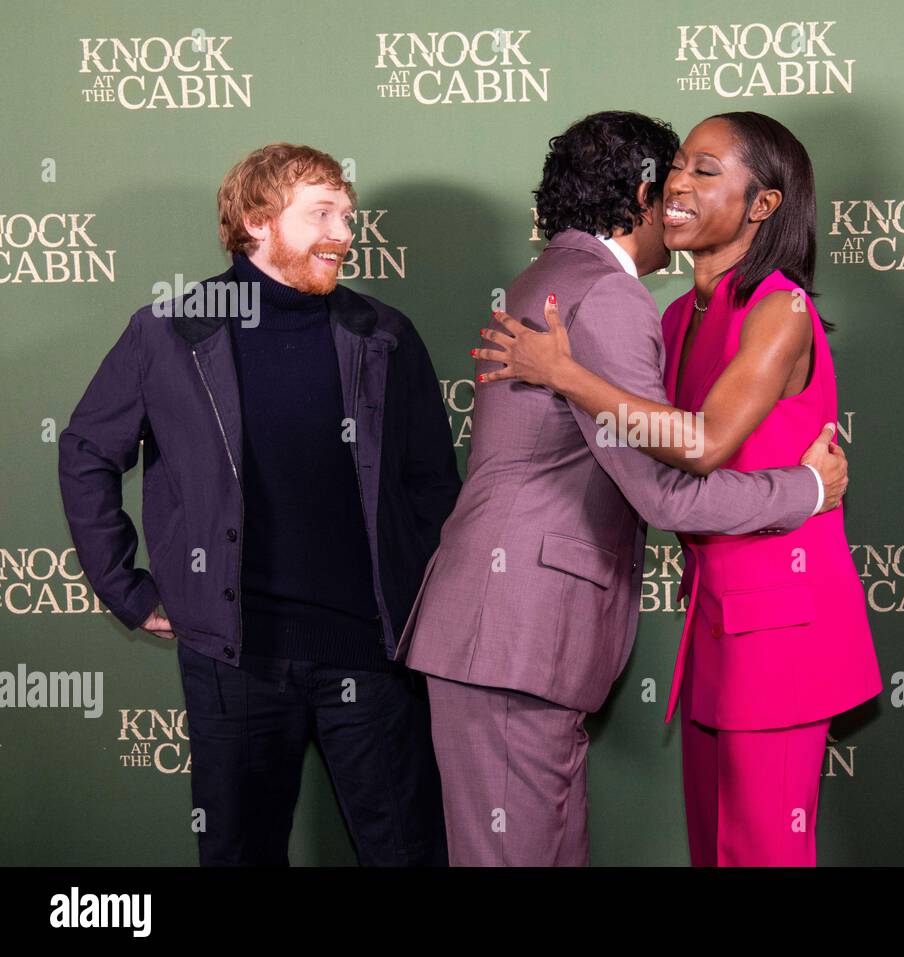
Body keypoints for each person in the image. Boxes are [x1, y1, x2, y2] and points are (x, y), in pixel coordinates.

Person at [395, 111, 848, 866]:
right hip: (518, 632)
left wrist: (569, 374)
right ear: (642, 190)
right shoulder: (612, 295)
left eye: (702, 172)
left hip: (530, 633)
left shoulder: (562, 276)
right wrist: (803, 488)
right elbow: (671, 489)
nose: (678, 187)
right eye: (675, 171)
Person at [58, 143, 461, 866]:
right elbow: (85, 450)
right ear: (255, 221)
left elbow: (432, 483)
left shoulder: (386, 334)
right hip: (233, 660)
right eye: (320, 213)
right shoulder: (168, 331)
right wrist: (127, 587)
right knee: (238, 855)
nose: (344, 231)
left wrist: (417, 596)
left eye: (347, 213)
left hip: (372, 658)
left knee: (408, 853)